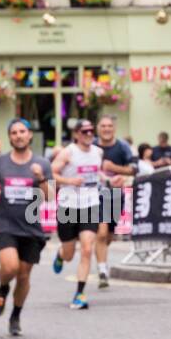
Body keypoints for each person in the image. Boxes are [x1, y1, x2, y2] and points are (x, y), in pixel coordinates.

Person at [0, 118, 54, 336]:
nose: (18, 135)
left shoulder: (42, 163)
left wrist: (41, 179)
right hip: (5, 223)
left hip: (31, 228)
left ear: (30, 135)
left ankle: (15, 315)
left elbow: (49, 197)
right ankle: (3, 287)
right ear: (9, 137)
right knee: (11, 267)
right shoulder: (1, 162)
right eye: (14, 132)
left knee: (23, 276)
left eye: (22, 131)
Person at [52, 119, 104, 309]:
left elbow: (97, 175)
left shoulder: (98, 152)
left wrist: (109, 179)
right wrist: (69, 180)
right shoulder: (68, 153)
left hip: (90, 205)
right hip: (68, 206)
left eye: (91, 131)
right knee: (68, 254)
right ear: (76, 134)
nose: (89, 134)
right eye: (85, 131)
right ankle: (60, 254)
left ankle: (79, 294)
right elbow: (51, 173)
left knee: (87, 249)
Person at [92, 115, 134, 289]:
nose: (106, 129)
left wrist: (114, 169)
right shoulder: (91, 146)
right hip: (93, 195)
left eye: (109, 126)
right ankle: (102, 270)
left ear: (114, 128)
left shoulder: (123, 147)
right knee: (101, 233)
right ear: (98, 128)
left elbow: (133, 169)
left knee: (108, 236)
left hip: (115, 196)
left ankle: (102, 258)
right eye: (103, 126)